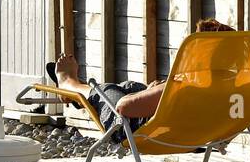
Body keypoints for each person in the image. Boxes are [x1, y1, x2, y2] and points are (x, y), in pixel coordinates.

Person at [38, 18, 235, 137]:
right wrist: (153, 91)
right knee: (131, 85)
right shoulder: (237, 89)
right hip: (194, 134)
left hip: (133, 130)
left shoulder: (182, 87)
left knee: (106, 91)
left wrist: (156, 91)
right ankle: (75, 97)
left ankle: (69, 83)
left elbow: (125, 108)